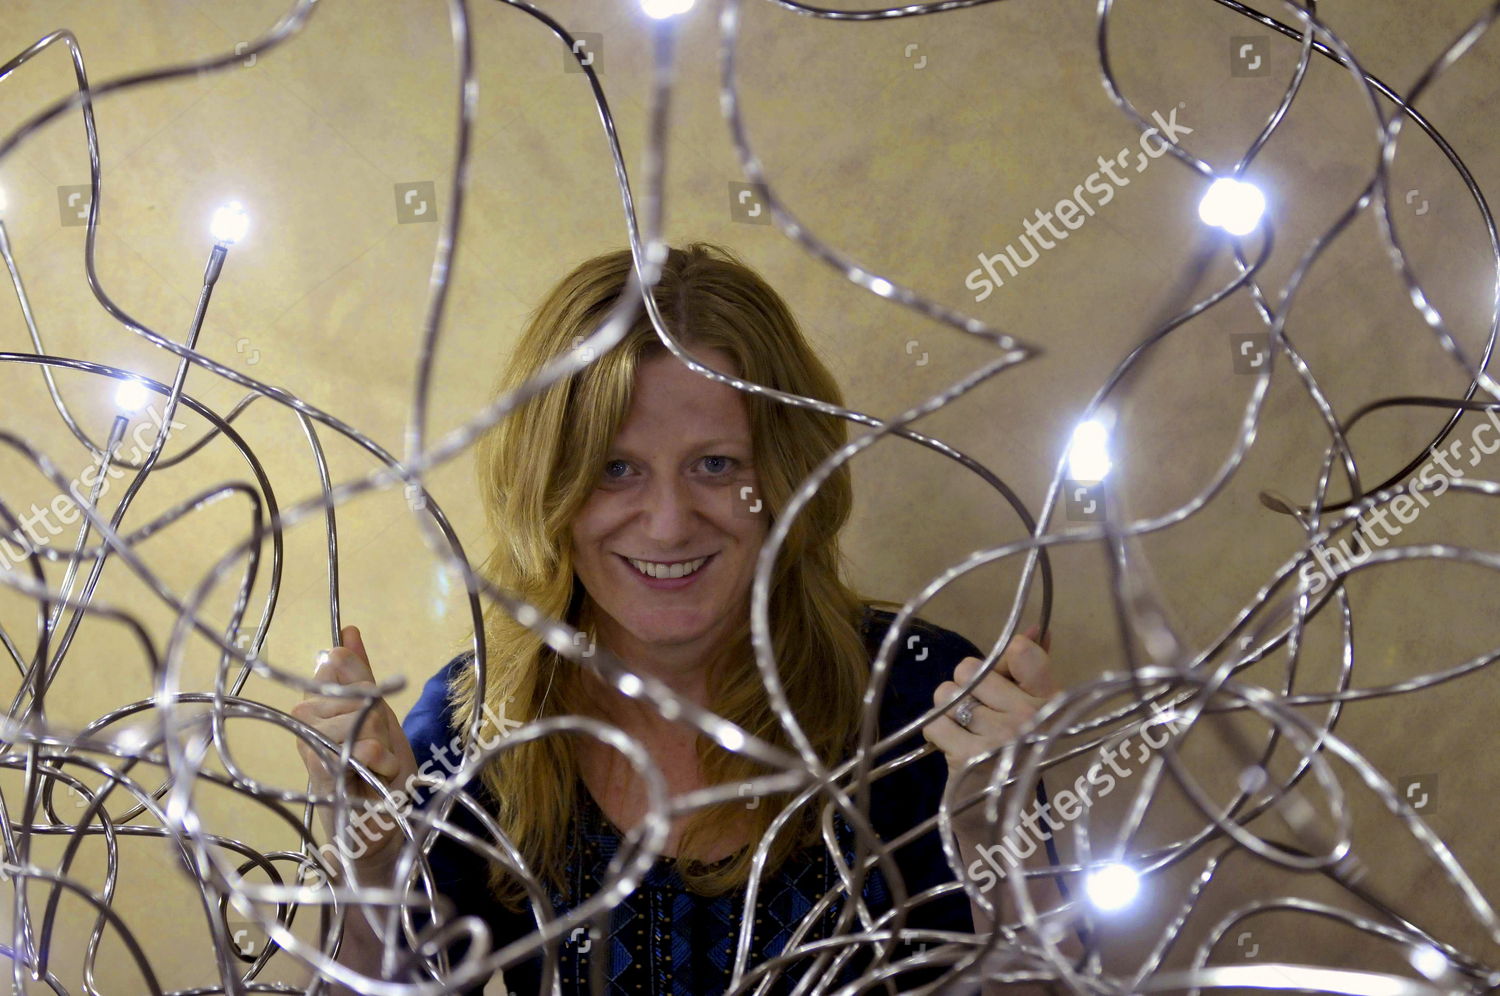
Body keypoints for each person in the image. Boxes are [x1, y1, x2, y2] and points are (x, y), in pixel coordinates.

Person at [293, 243, 1064, 995]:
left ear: (790, 475)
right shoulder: (477, 723)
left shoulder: (924, 702)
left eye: (716, 465)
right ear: (550, 489)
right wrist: (368, 853)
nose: (667, 525)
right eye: (615, 470)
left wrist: (1005, 856)